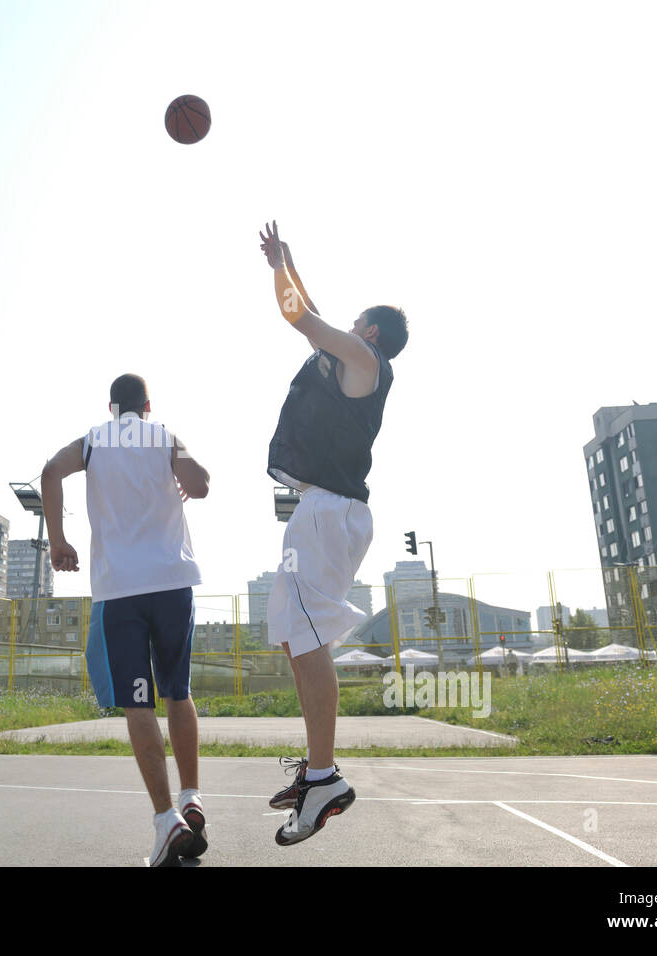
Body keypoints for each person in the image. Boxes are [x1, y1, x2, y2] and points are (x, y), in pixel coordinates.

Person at [258, 220, 408, 846]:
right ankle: (318, 770)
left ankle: (323, 775)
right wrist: (289, 261)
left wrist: (276, 272)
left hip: (329, 511)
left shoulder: (364, 359)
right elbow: (313, 312)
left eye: (355, 321)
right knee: (296, 636)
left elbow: (298, 318)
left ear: (369, 332)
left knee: (307, 633)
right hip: (324, 511)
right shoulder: (352, 357)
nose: (344, 326)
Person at [40, 373, 211, 867]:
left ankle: (165, 822)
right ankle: (192, 796)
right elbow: (200, 486)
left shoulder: (94, 439)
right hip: (173, 583)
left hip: (121, 592)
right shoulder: (163, 436)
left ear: (112, 407)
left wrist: (58, 540)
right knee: (179, 692)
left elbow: (50, 471)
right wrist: (181, 467)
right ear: (148, 406)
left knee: (140, 703)